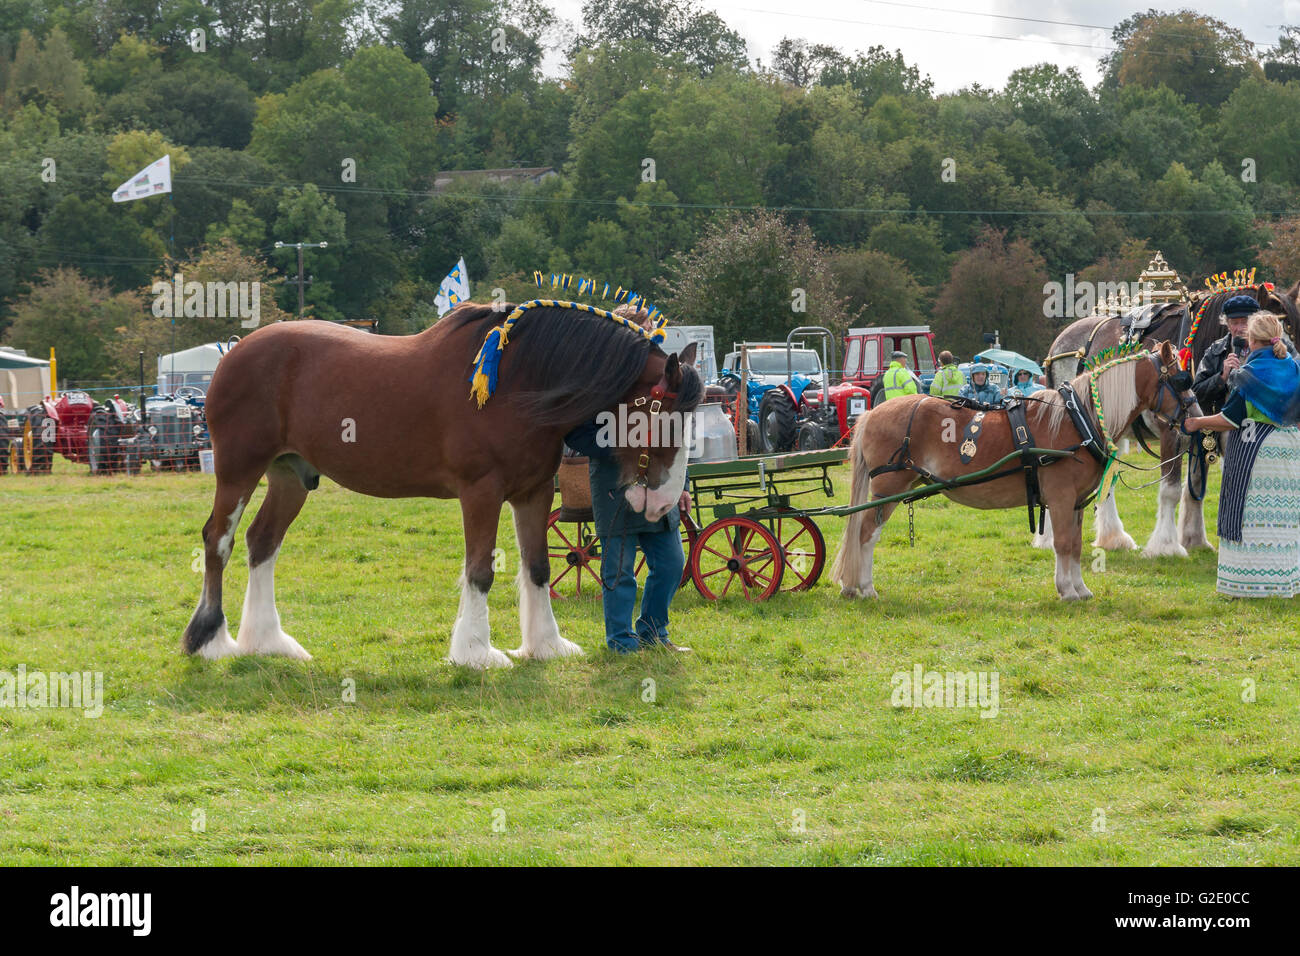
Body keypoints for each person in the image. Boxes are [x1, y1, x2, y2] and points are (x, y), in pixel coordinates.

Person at [563, 305, 696, 653]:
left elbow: (678, 439)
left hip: (659, 487)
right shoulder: (598, 383)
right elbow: (577, 436)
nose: (647, 341)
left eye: (649, 333)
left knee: (670, 565)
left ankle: (654, 634)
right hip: (614, 486)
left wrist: (682, 485)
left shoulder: (667, 379)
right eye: (640, 334)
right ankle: (621, 642)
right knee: (619, 572)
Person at [1182, 312, 1300, 599]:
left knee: (1248, 515)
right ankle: (1283, 581)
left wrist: (1198, 423)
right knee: (1282, 517)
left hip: (1255, 452)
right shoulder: (1294, 369)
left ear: (1250, 339)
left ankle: (1250, 583)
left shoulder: (1249, 373)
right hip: (1289, 452)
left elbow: (1231, 418)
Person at [1193, 294, 1297, 415]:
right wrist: (1222, 377)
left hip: (1268, 424)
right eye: (1234, 323)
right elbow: (1196, 393)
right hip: (1227, 425)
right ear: (1227, 324)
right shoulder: (1216, 350)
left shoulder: (1279, 345)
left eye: (1245, 322)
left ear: (1255, 322)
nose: (1240, 328)